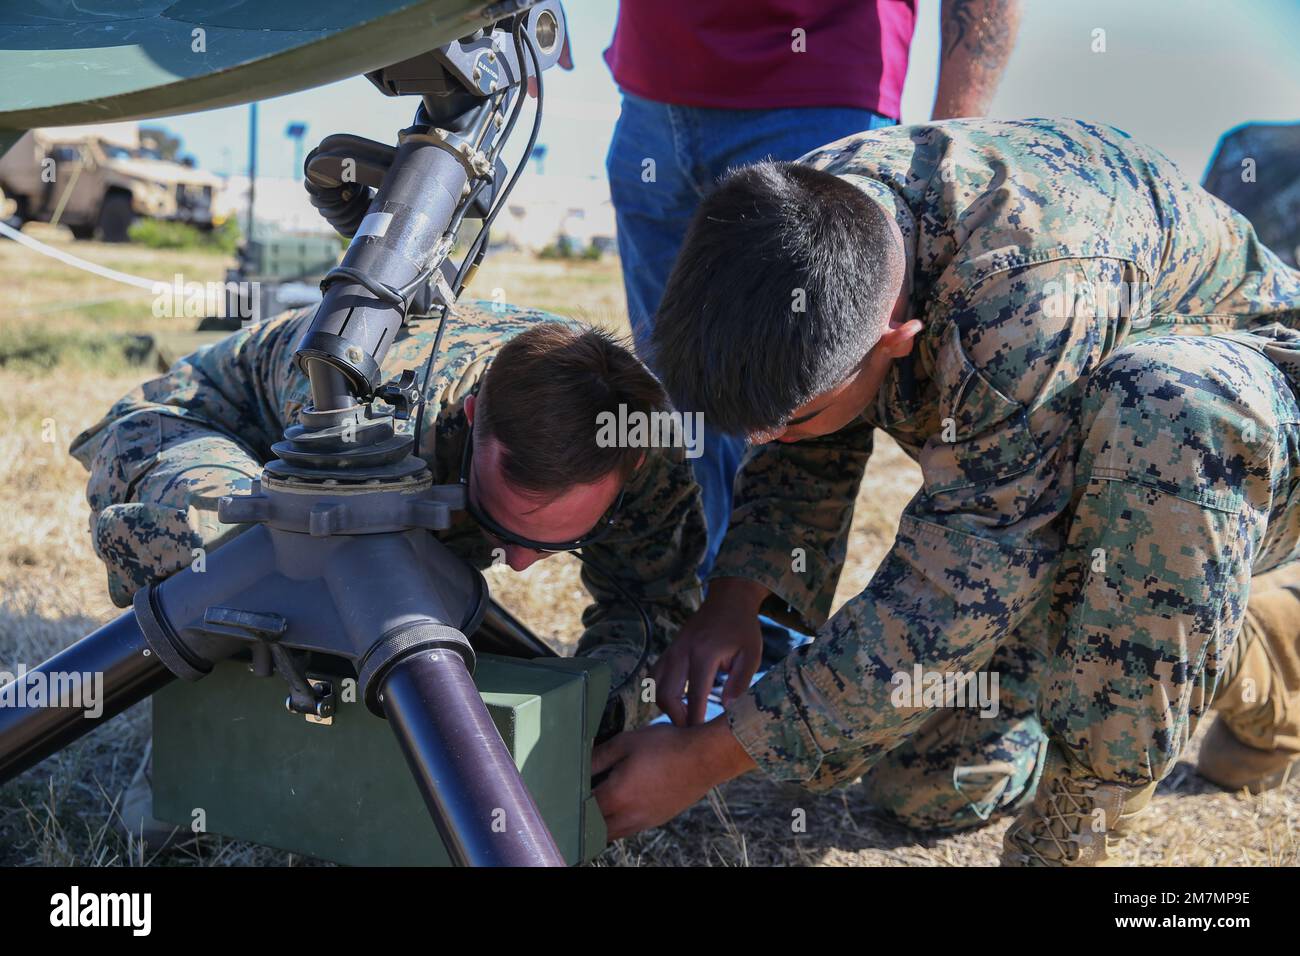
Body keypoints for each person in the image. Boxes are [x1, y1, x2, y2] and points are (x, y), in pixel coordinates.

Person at [591, 117, 1300, 865]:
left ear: (895, 338)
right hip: (1060, 473)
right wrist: (734, 602)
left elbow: (958, 581)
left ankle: (1077, 834)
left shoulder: (1026, 295)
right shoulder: (797, 214)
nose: (772, 444)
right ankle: (1259, 646)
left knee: (1159, 405)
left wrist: (709, 757)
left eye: (792, 423)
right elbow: (808, 433)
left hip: (1241, 437)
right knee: (931, 789)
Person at [70, 302, 707, 734]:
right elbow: (327, 574)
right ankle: (202, 756)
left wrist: (596, 713)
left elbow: (654, 607)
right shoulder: (381, 411)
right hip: (195, 425)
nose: (518, 562)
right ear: (473, 417)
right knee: (226, 559)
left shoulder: (640, 442)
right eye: (504, 530)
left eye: (558, 543)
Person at [604, 0, 1022, 642]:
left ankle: (766, 649)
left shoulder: (1019, 299)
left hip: (818, 83)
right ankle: (684, 634)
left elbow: (971, 576)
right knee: (692, 393)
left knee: (806, 388)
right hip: (652, 83)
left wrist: (953, 138)